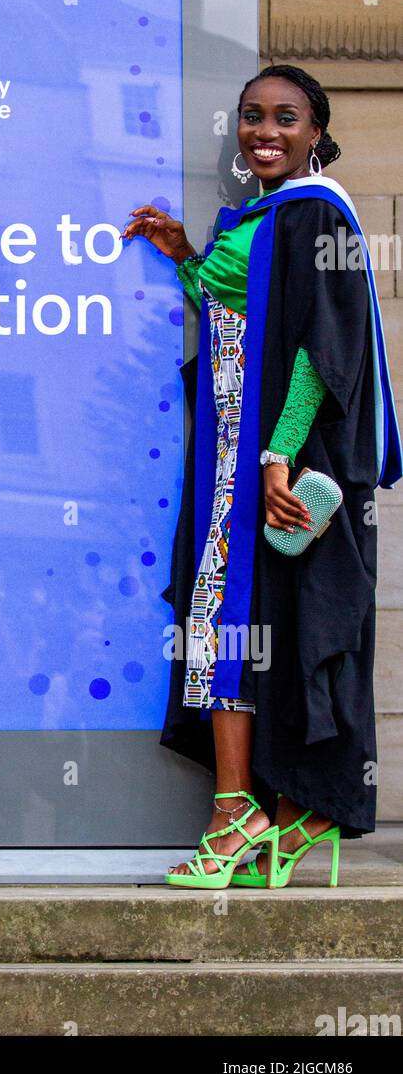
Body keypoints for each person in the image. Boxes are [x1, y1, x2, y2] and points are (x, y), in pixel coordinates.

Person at [123, 65, 401, 889]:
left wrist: (278, 457)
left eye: (284, 117)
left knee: (238, 621)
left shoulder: (317, 214)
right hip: (228, 459)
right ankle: (272, 814)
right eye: (251, 116)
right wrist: (186, 256)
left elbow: (321, 352)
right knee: (224, 620)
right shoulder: (259, 217)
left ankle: (244, 813)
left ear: (316, 131)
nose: (264, 131)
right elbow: (233, 311)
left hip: (265, 463)